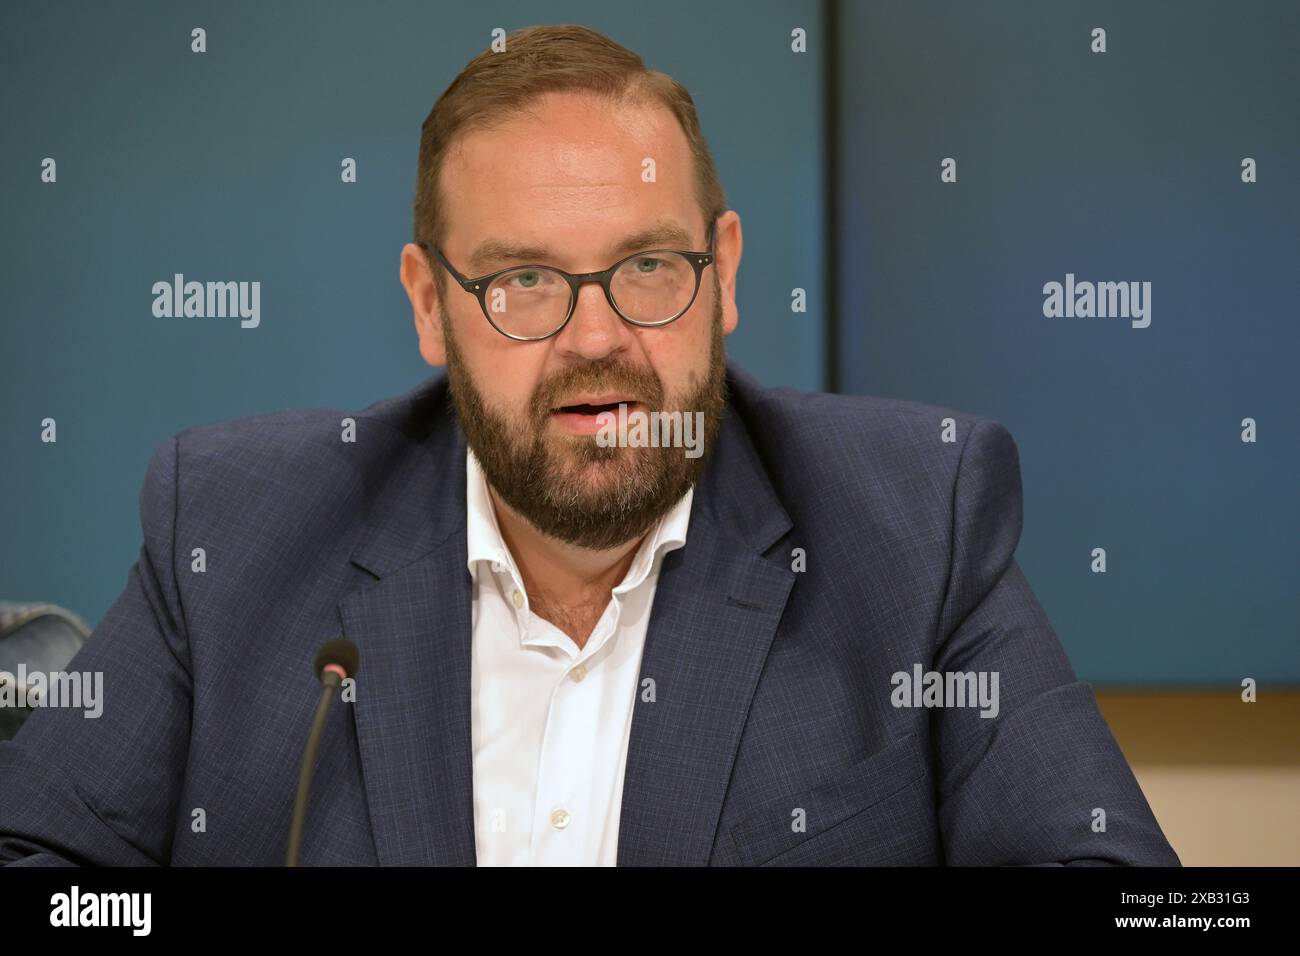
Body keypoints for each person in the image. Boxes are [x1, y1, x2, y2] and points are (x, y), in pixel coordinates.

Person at [0, 24, 1178, 866]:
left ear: (723, 274)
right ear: (428, 303)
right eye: (522, 280)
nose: (598, 337)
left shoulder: (910, 517)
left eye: (648, 268)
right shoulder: (231, 526)